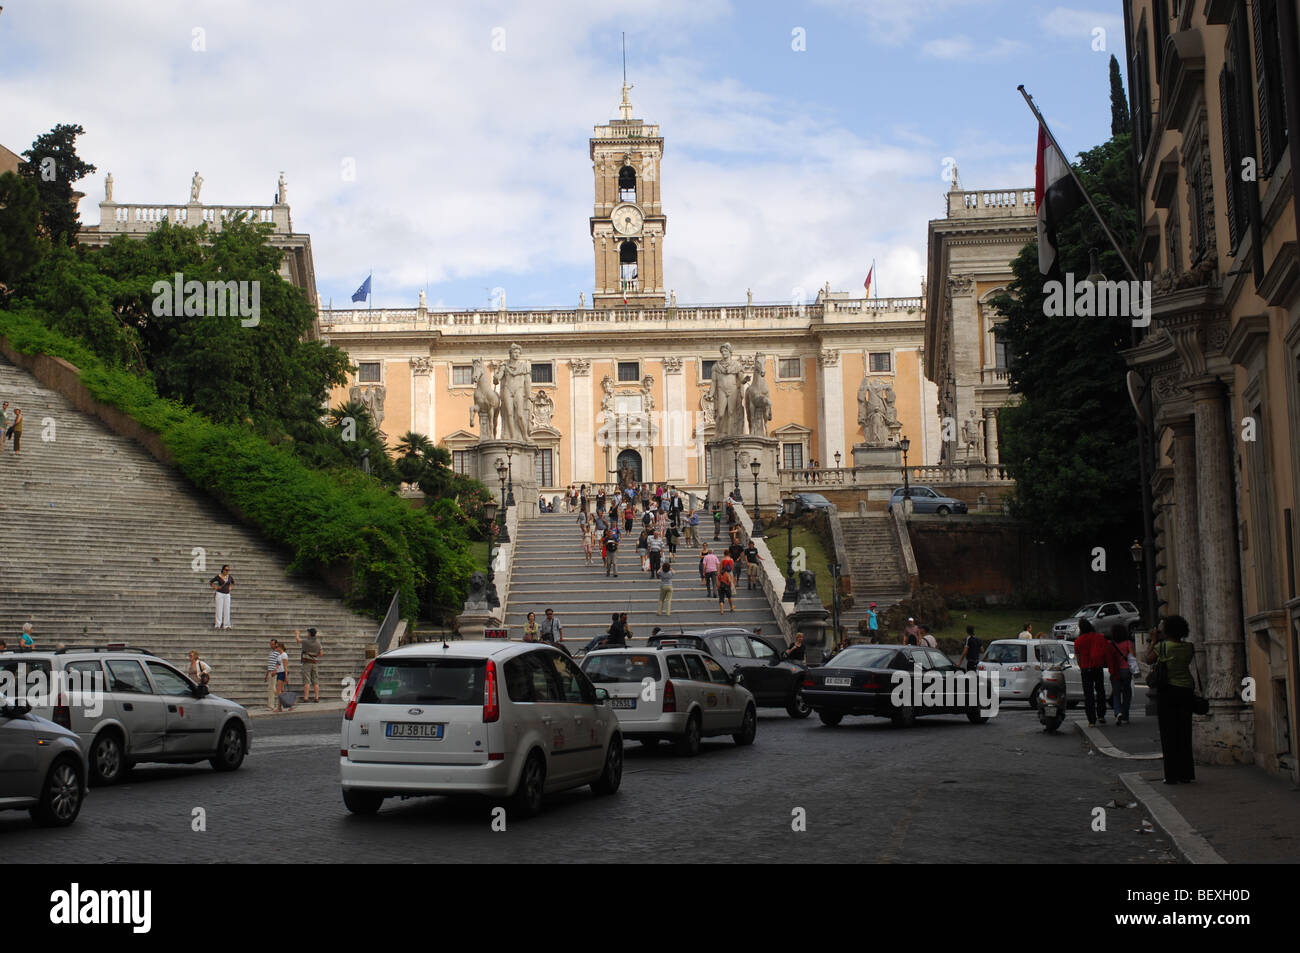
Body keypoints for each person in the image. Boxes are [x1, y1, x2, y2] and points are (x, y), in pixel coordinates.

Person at [1145, 615, 1196, 783]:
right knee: (1184, 732)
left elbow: (1148, 659)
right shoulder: (1189, 647)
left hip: (1168, 691)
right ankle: (1186, 774)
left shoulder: (1163, 647)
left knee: (1169, 734)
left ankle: (1172, 775)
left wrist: (1153, 640)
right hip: (1186, 689)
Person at [1073, 619, 1110, 726]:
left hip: (1086, 668)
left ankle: (1091, 720)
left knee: (1088, 694)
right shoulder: (1099, 637)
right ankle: (1101, 714)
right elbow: (1104, 651)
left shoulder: (1078, 641)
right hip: (1097, 666)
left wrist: (1082, 667)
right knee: (1100, 690)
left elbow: (1078, 658)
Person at [1107, 623, 1135, 725]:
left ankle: (1117, 712)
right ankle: (1125, 716)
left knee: (1116, 693)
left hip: (1115, 671)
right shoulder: (1128, 643)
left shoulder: (1110, 644)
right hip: (1126, 670)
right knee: (1127, 693)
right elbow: (1133, 656)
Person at [294, 627, 323, 702]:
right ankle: (316, 697)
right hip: (314, 663)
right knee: (315, 681)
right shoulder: (318, 642)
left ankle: (306, 698)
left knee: (306, 681)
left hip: (307, 662)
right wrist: (314, 654)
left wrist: (297, 634)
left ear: (309, 633)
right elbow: (321, 654)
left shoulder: (306, 641)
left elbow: (298, 640)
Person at [210, 564, 233, 629]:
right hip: (219, 594)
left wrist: (230, 588)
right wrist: (215, 587)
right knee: (219, 609)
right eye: (226, 570)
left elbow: (233, 583)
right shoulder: (218, 576)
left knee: (227, 609)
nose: (227, 571)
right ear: (223, 570)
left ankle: (226, 625)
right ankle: (218, 624)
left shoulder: (229, 577)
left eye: (228, 570)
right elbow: (211, 582)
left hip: (227, 594)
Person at [265, 638, 283, 712]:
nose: (271, 645)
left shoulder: (277, 653)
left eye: (272, 644)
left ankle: (271, 706)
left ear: (276, 644)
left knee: (272, 689)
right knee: (272, 689)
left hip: (274, 672)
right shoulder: (271, 652)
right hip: (270, 672)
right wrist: (267, 674)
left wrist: (275, 671)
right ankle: (279, 702)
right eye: (270, 644)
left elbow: (279, 663)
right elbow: (269, 664)